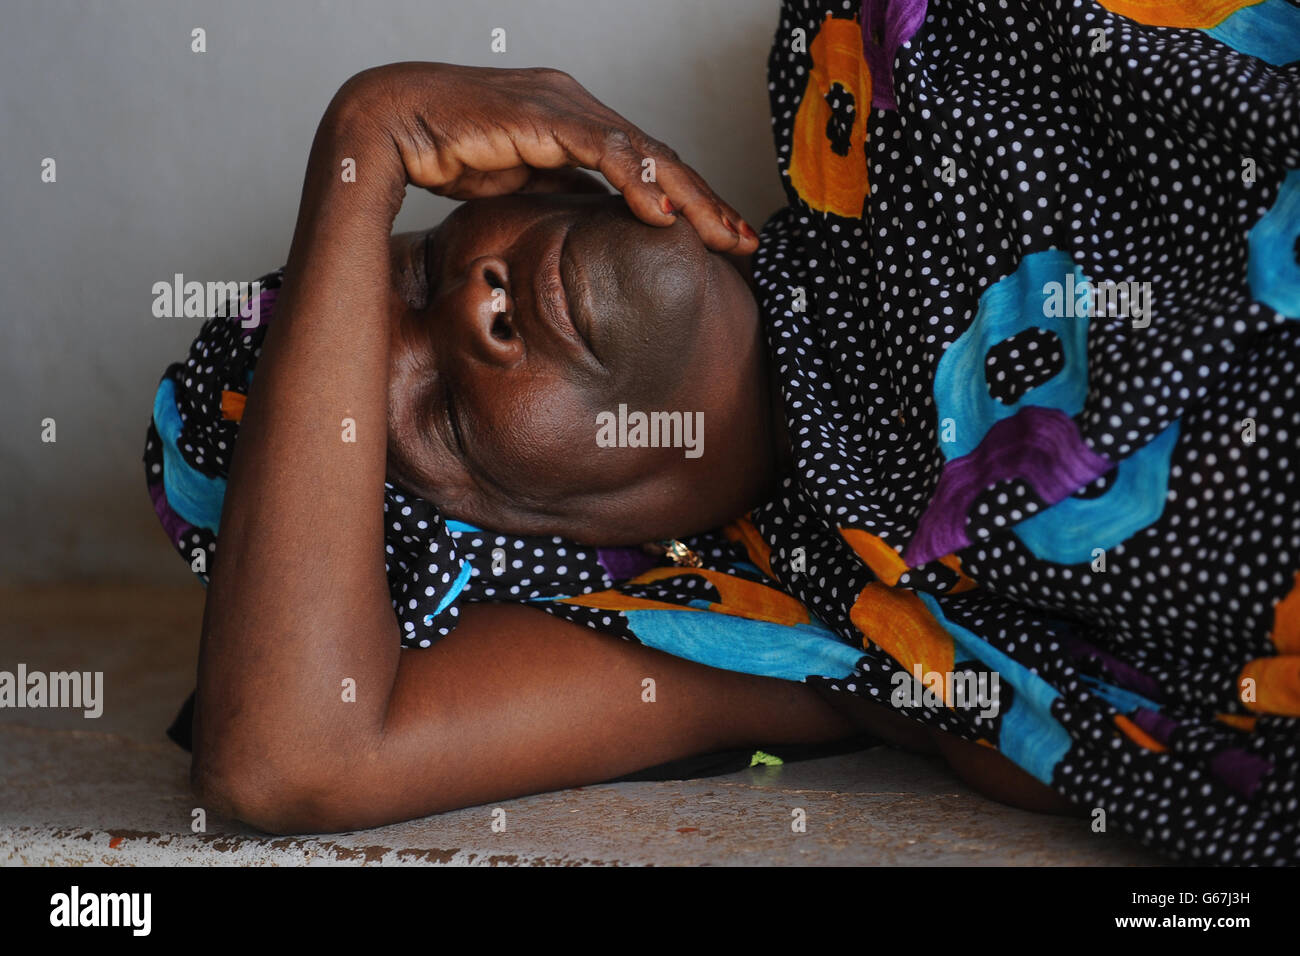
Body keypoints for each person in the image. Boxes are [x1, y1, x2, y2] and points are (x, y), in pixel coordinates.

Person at [147, 0, 1300, 863]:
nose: (471, 309)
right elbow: (288, 757)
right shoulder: (806, 625)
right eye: (444, 415)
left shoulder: (902, 57)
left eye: (414, 271)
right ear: (538, 545)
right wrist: (362, 138)